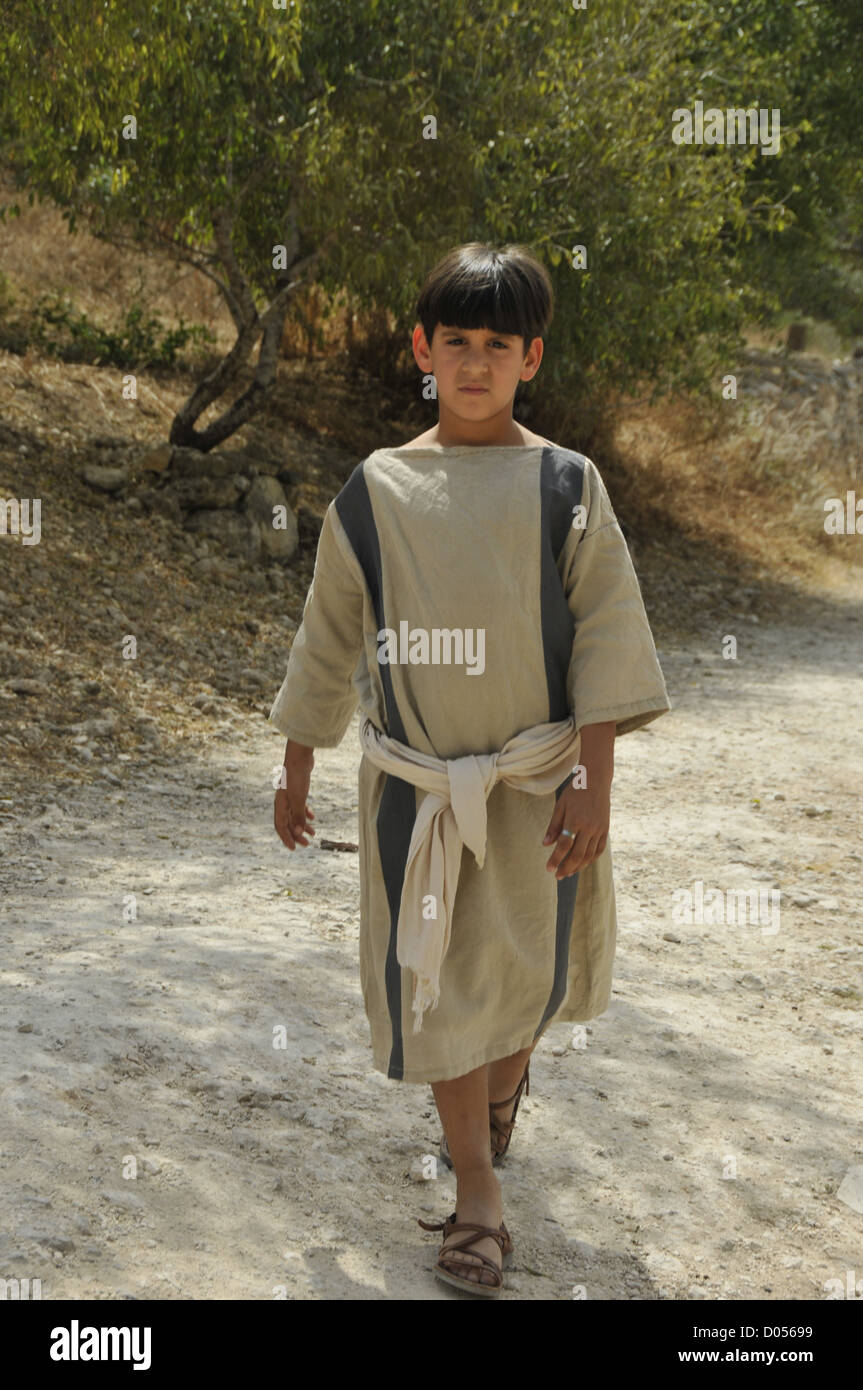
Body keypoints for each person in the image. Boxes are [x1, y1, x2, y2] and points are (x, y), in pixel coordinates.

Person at [269, 241, 671, 1297]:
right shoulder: (377, 491)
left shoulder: (565, 485)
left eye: (499, 344)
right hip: (416, 795)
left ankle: (492, 1111)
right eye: (458, 342)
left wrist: (594, 782)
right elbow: (326, 637)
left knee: (523, 985)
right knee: (439, 986)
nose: (477, 362)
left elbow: (607, 636)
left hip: (539, 787)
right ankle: (479, 1197)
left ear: (530, 358)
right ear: (423, 350)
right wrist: (295, 764)